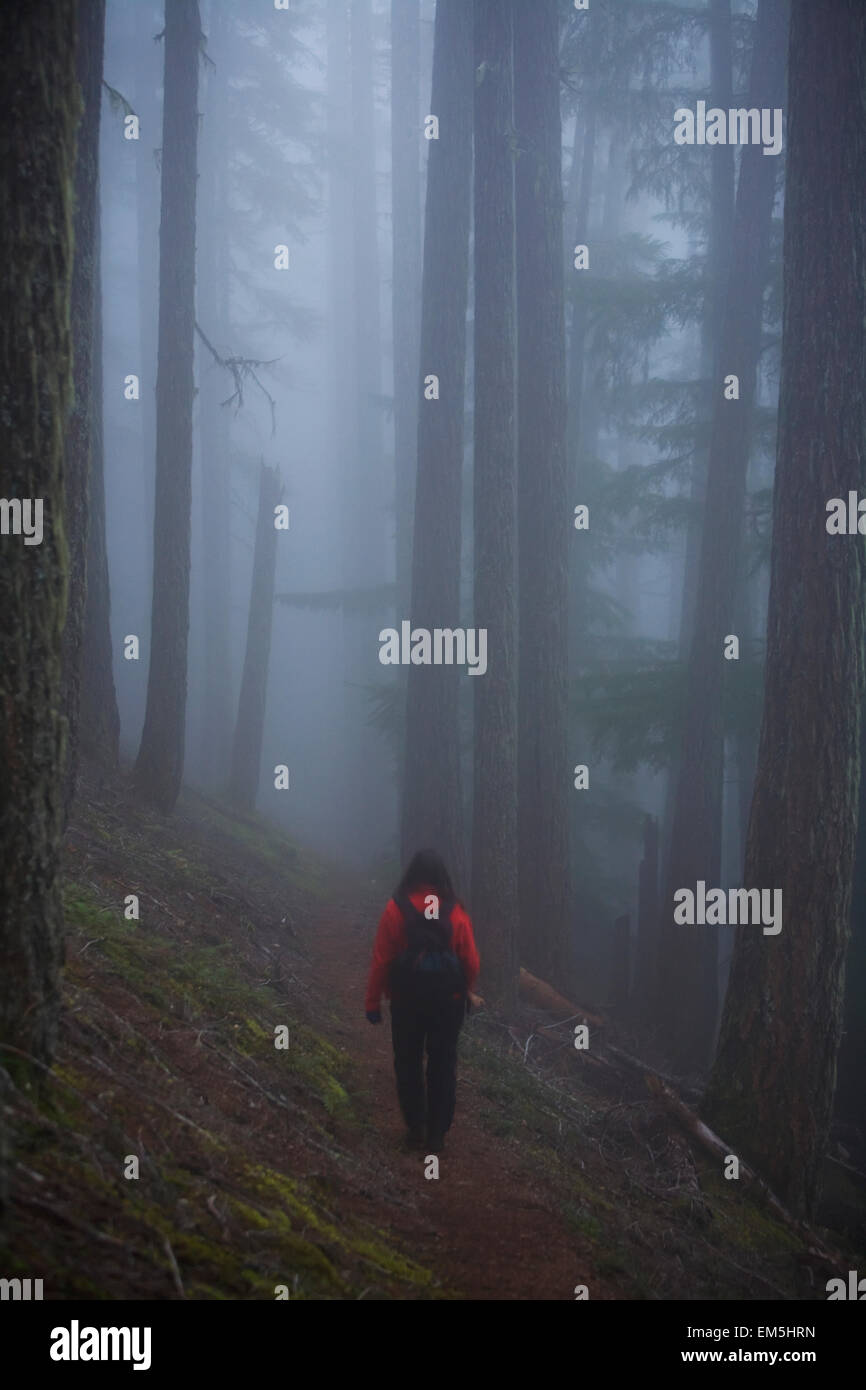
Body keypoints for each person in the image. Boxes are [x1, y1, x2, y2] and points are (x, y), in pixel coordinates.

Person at [364, 849, 481, 1153]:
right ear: (442, 875)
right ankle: (437, 1135)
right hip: (448, 1001)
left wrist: (372, 1002)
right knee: (442, 1063)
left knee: (408, 1062)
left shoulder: (396, 908)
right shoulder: (455, 911)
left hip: (406, 999)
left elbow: (381, 960)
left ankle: (415, 1128)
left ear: (412, 873)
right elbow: (470, 960)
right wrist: (466, 988)